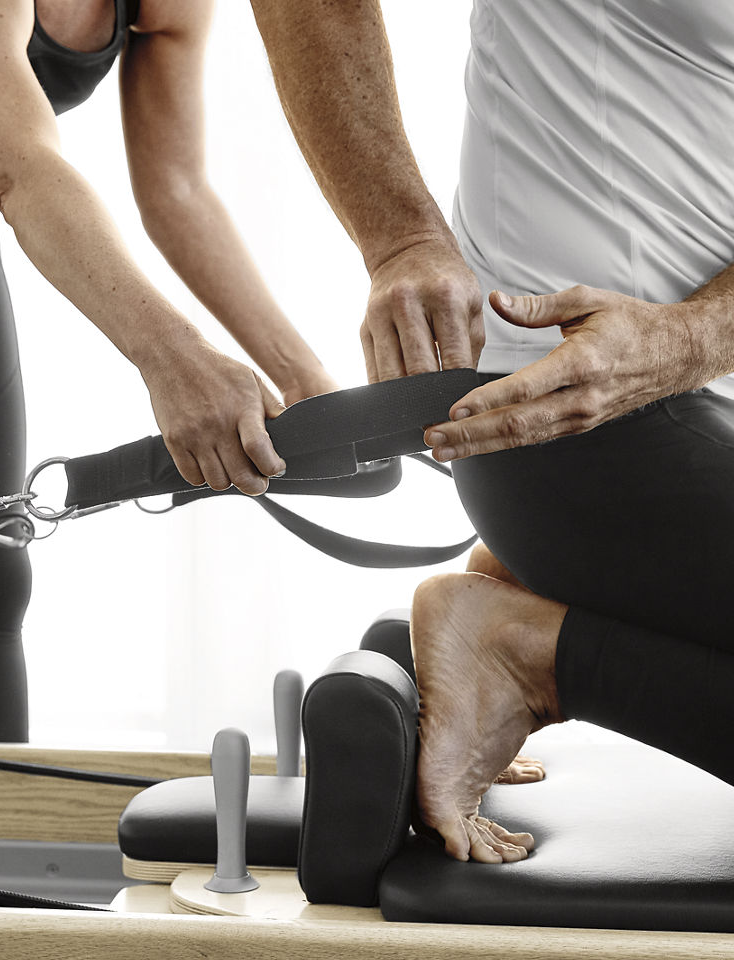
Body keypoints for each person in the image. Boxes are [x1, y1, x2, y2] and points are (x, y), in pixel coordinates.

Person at [248, 0, 734, 862]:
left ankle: (530, 617)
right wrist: (398, 239)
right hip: (588, 423)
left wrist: (691, 338)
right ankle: (530, 651)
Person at [0, 0, 338, 742]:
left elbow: (177, 191)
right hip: (0, 188)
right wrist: (172, 357)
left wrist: (309, 385)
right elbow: (19, 165)